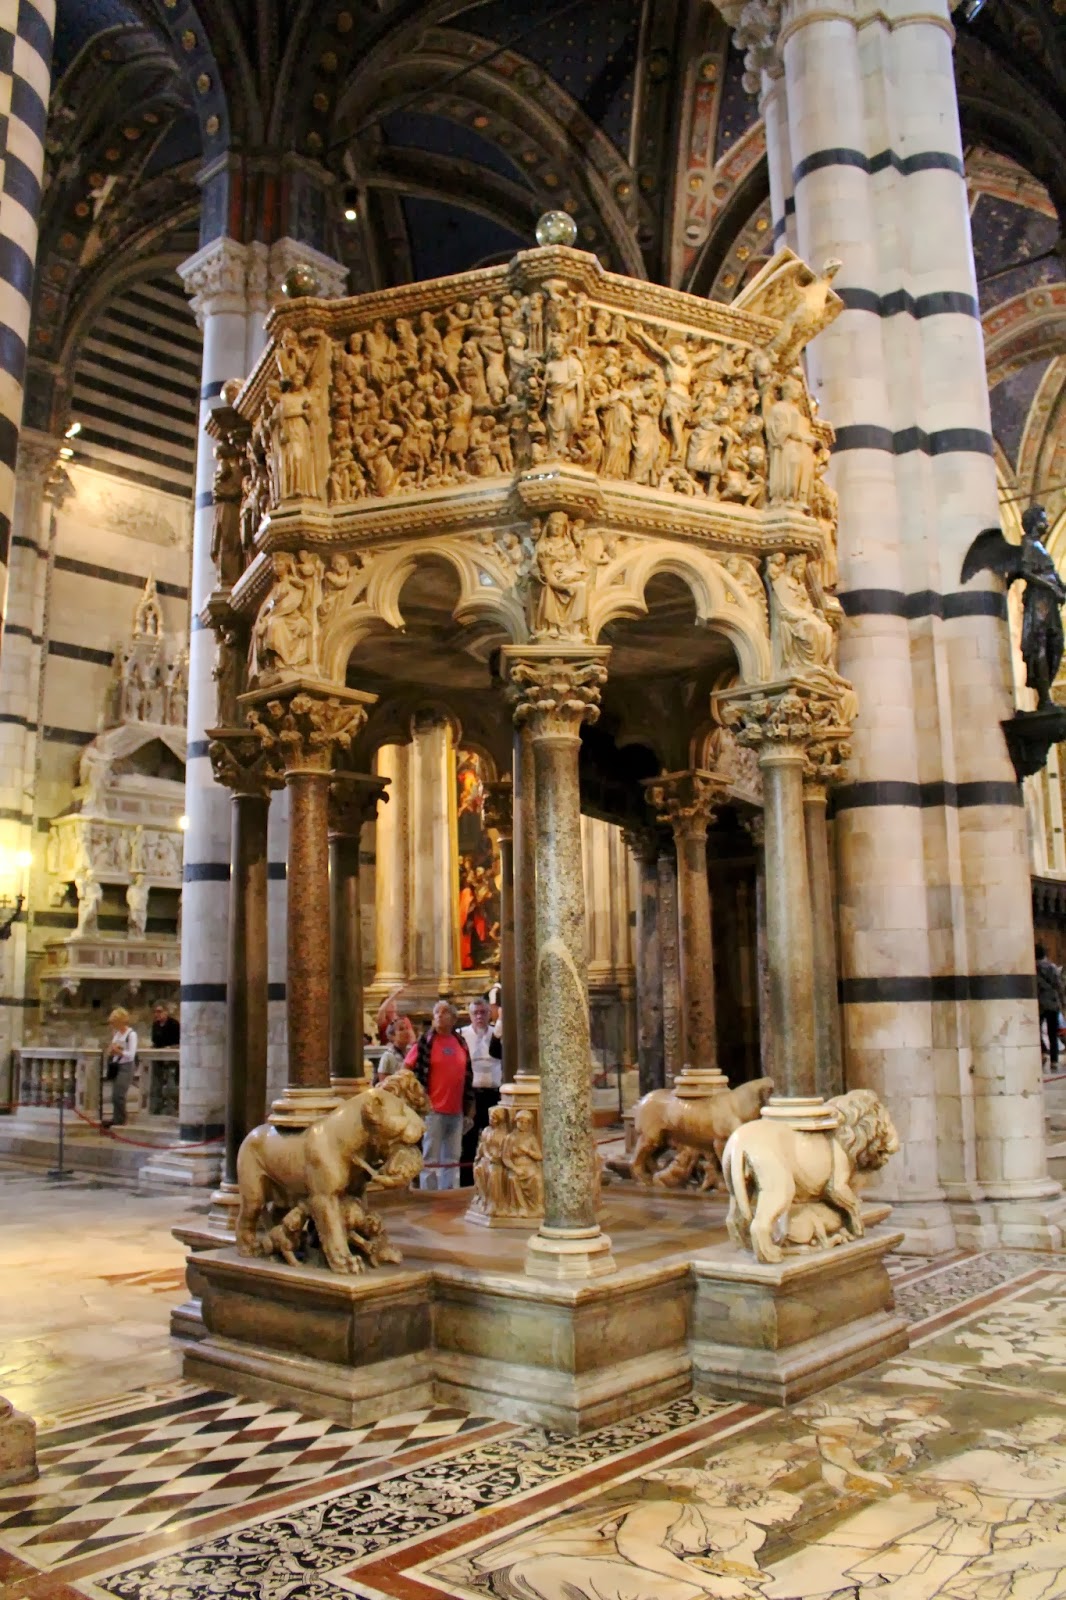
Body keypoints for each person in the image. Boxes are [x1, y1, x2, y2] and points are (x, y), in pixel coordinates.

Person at [405, 1000, 473, 1191]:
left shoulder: (460, 1042)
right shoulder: (425, 1042)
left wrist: (469, 1106)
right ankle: (430, 1196)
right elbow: (407, 1067)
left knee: (452, 1158)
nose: (439, 1016)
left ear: (453, 1018)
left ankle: (449, 1195)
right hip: (432, 1109)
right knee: (431, 1157)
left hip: (456, 1109)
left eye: (444, 1013)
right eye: (436, 1013)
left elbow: (467, 1074)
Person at [458, 996, 502, 1188]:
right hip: (471, 1095)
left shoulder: (496, 1033)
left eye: (483, 1012)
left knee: (492, 1139)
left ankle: (492, 1182)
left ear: (489, 1013)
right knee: (468, 1141)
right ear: (469, 1015)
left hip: (493, 1092)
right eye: (475, 1013)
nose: (479, 1016)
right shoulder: (461, 1034)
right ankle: (467, 1183)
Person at [106, 1007, 138, 1128]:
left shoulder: (131, 1034)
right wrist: (112, 1051)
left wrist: (119, 1052)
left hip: (126, 1066)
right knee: (114, 1094)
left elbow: (131, 1054)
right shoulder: (117, 1034)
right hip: (116, 1066)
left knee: (119, 1094)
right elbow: (113, 1048)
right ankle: (116, 1118)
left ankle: (121, 1119)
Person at [1036, 944, 1065, 1069]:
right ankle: (1054, 1060)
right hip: (1053, 1003)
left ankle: (1043, 1052)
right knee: (1053, 1033)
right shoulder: (1052, 967)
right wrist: (1062, 1002)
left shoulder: (1032, 968)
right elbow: (1059, 985)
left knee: (1036, 1031)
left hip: (1039, 1003)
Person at [376, 1014, 415, 1080]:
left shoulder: (410, 1052)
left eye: (407, 1028)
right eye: (401, 1029)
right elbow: (383, 1084)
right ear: (392, 1036)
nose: (406, 1032)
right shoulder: (388, 1056)